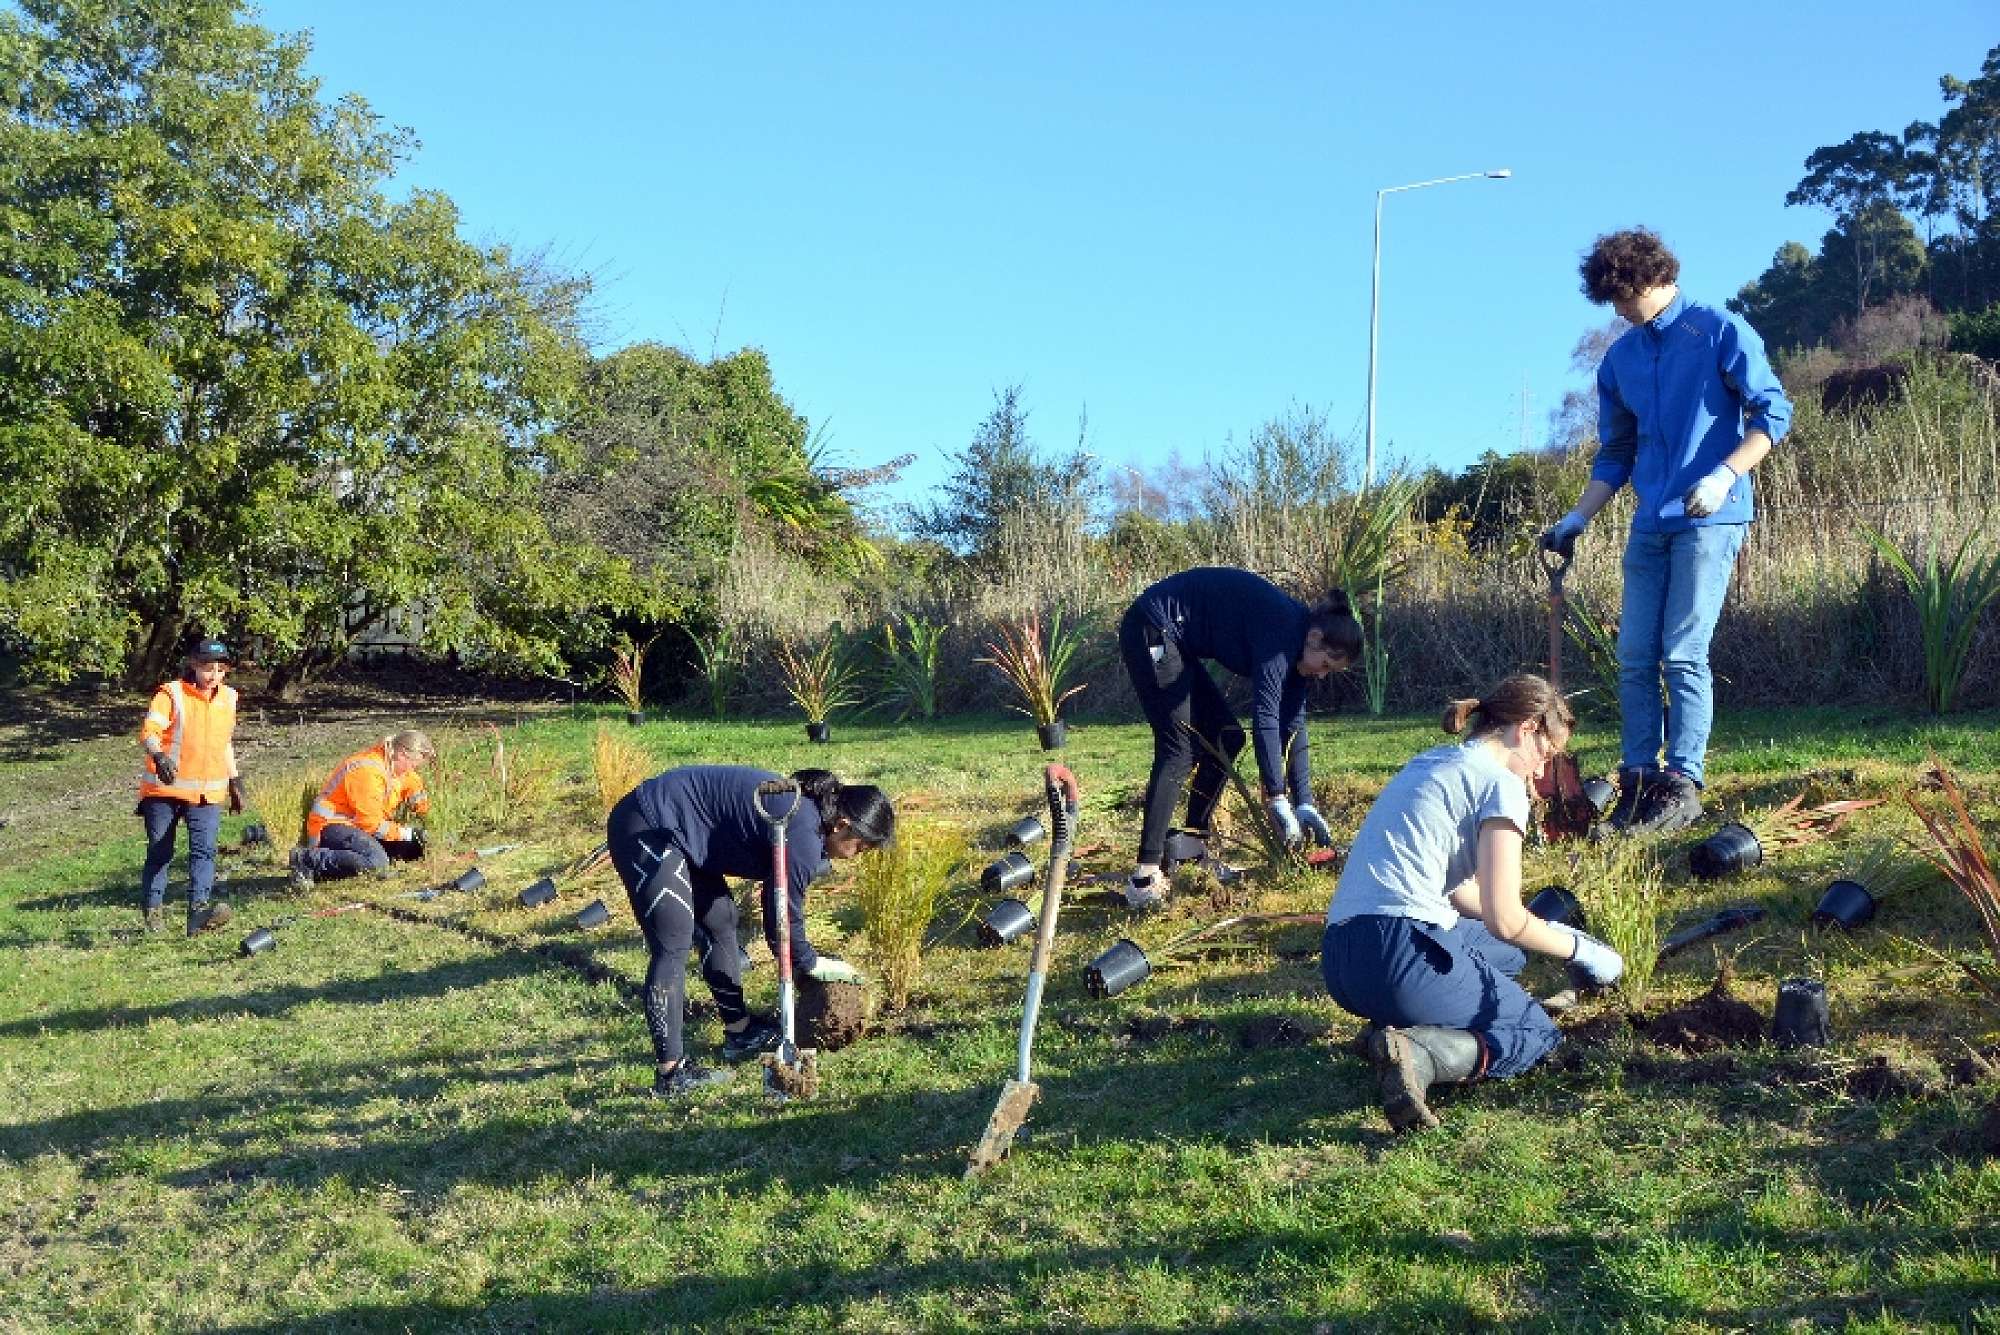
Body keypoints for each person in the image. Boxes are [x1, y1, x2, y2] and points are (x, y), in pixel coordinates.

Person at [1541, 227, 1792, 836]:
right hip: (1650, 520)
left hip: (1710, 517)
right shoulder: (1621, 359)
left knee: (1683, 652)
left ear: (1654, 280)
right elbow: (1615, 453)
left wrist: (1725, 475)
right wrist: (1578, 517)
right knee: (1633, 655)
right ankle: (1636, 779)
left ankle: (1682, 781)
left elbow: (1772, 413)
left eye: (1625, 297)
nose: (1620, 311)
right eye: (1612, 302)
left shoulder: (1717, 329)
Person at [1320, 674, 1624, 1132]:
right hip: (1400, 957)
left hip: (1343, 960)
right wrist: (1584, 950)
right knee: (1536, 1032)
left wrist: (1546, 933)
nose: (1541, 774)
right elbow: (1505, 917)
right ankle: (1421, 1055)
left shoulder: (1428, 765)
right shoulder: (1500, 784)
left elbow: (1461, 894)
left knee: (1508, 954)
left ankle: (1394, 1027)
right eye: (1545, 755)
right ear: (1526, 728)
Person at [607, 765, 894, 1099]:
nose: (858, 856)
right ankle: (670, 1074)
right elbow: (781, 916)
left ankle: (739, 1032)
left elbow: (779, 909)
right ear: (842, 825)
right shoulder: (801, 831)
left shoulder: (805, 821)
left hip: (686, 833)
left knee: (721, 921)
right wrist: (810, 963)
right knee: (673, 940)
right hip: (650, 823)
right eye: (860, 847)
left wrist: (804, 960)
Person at [1117, 567, 1362, 910]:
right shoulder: (1282, 636)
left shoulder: (1300, 656)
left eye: (1329, 672)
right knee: (1178, 749)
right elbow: (1265, 717)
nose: (1321, 675)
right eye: (1325, 665)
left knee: (1227, 737)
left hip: (1179, 642)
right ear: (1316, 638)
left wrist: (1303, 802)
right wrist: (1276, 796)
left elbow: (1293, 727)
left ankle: (1190, 847)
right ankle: (1144, 877)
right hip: (1152, 629)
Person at [137, 639, 244, 936]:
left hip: (206, 793)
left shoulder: (230, 698)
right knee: (161, 852)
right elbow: (149, 731)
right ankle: (153, 912)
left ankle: (198, 915)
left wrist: (235, 781)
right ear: (194, 665)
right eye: (208, 668)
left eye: (220, 669)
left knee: (204, 852)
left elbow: (224, 743)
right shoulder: (171, 694)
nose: (214, 675)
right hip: (165, 790)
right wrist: (158, 755)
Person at [289, 731, 436, 887]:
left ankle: (352, 864)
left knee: (417, 847)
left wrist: (427, 825)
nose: (413, 770)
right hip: (331, 826)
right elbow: (371, 824)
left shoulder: (398, 768)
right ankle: (306, 859)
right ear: (402, 754)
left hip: (360, 827)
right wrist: (406, 833)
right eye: (414, 765)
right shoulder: (367, 771)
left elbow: (417, 796)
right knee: (376, 862)